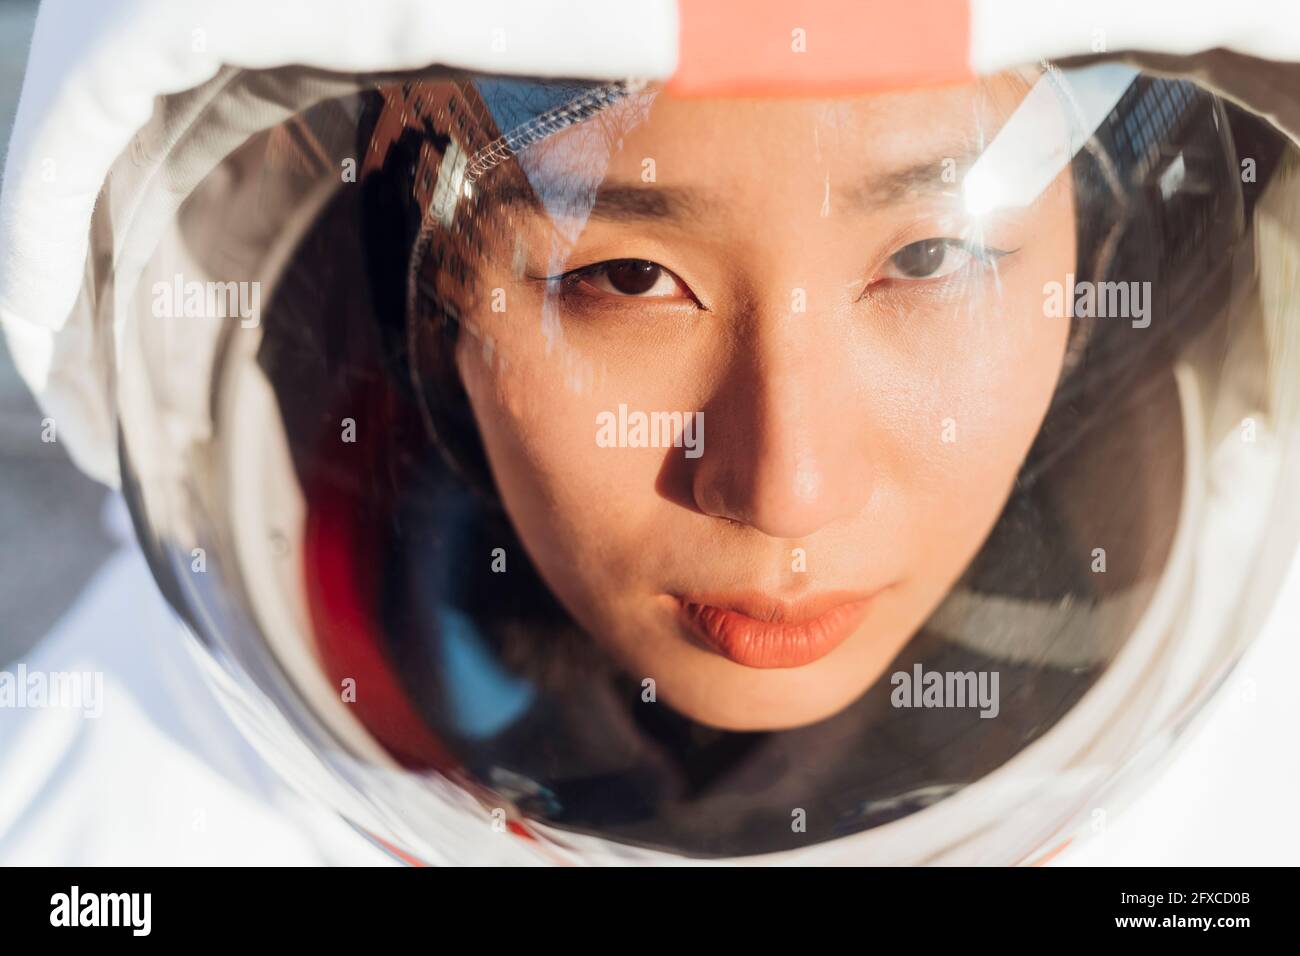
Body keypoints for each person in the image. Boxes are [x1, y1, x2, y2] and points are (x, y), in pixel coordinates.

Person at [4, 0, 1300, 865]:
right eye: (621, 280)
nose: (786, 487)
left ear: (1113, 256)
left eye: (933, 253)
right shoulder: (97, 825)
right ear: (416, 300)